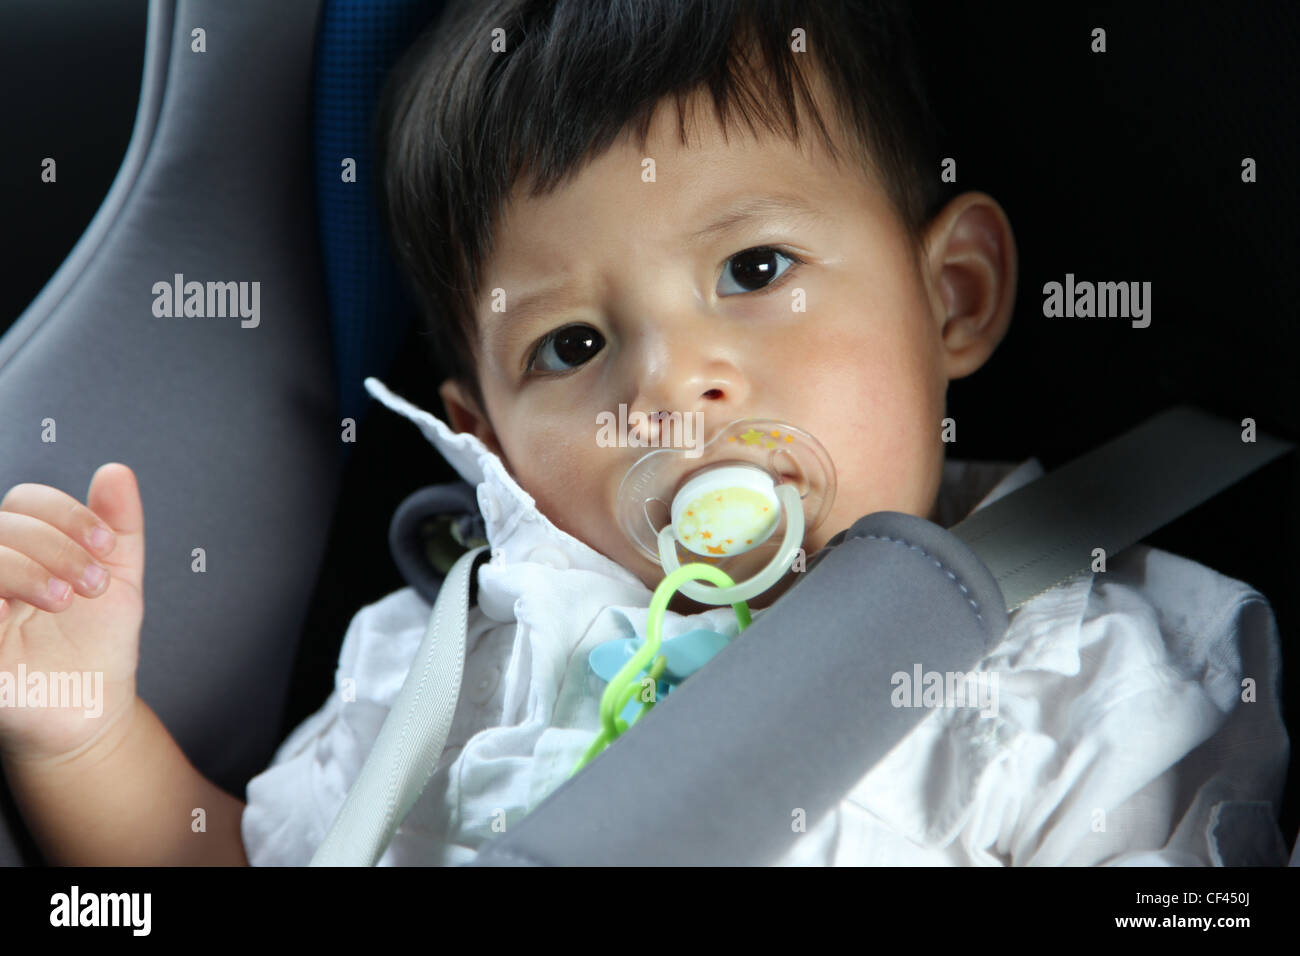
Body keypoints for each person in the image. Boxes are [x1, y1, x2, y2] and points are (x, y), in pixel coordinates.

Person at [0, 0, 1289, 866]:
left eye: (754, 267)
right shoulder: (449, 660)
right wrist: (87, 735)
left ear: (950, 297)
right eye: (572, 347)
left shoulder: (1106, 671)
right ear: (489, 443)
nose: (673, 389)